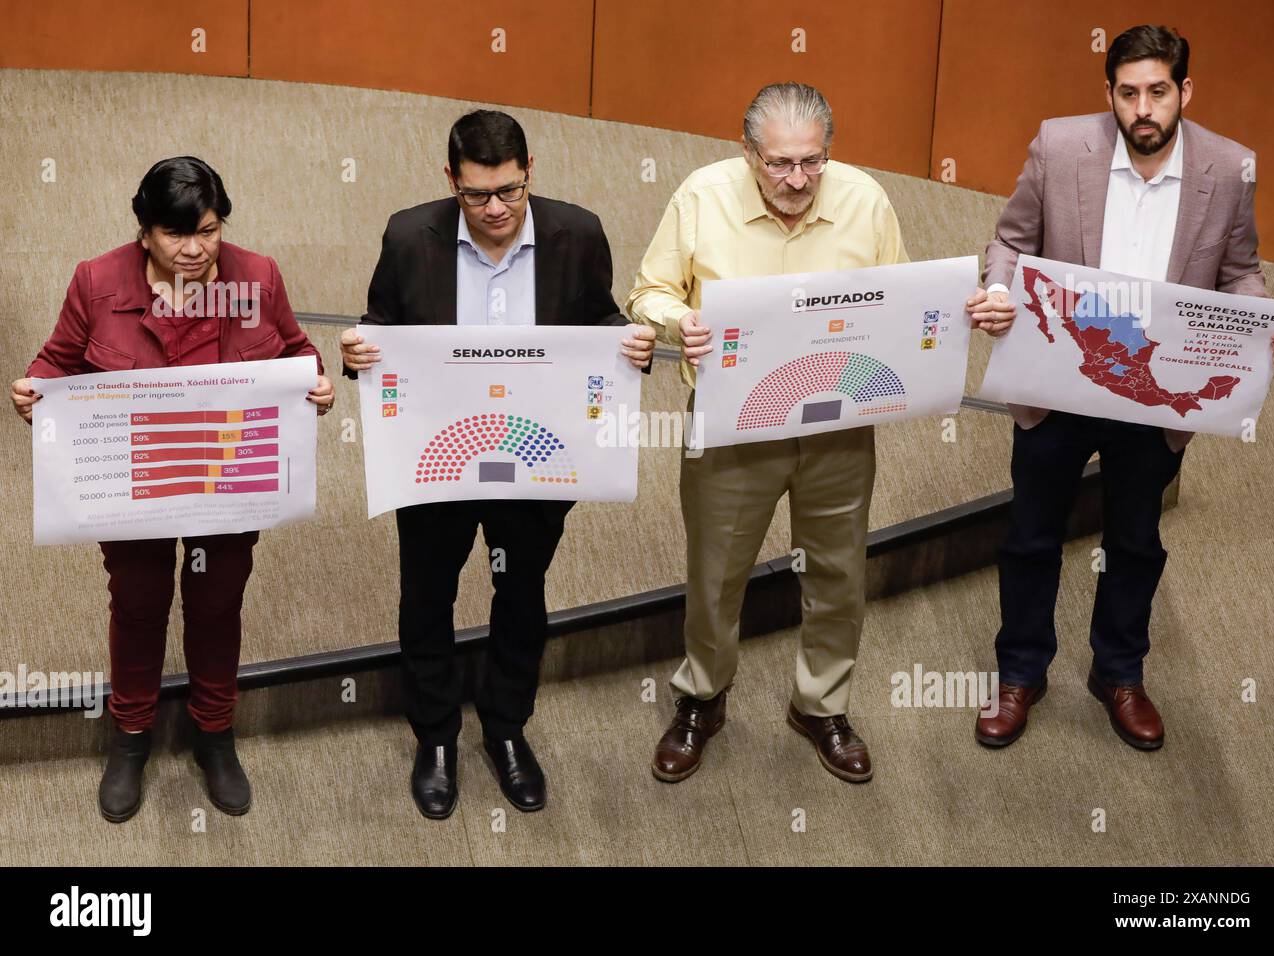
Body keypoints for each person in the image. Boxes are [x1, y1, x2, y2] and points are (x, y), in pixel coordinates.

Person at [967, 25, 1274, 750]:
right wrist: (997, 290)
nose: (1142, 109)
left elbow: (1239, 268)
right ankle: (1020, 671)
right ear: (1108, 94)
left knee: (1136, 542)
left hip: (1156, 387)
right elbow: (1012, 240)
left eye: (1157, 92)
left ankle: (1118, 671)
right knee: (1031, 535)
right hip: (1061, 375)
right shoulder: (1059, 147)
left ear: (1185, 91)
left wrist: (1262, 322)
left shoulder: (1229, 165)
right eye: (1127, 93)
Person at [340, 110, 656, 819]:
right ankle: (438, 737)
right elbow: (380, 324)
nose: (494, 210)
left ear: (529, 171)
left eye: (509, 192)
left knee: (520, 594)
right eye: (477, 195)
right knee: (429, 597)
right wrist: (357, 353)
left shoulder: (577, 232)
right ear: (449, 180)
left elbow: (598, 316)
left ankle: (507, 728)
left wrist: (626, 339)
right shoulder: (407, 235)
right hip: (436, 460)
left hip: (536, 458)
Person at [10, 156, 332, 822]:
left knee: (216, 605)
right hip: (136, 485)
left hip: (226, 481)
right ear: (144, 232)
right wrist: (30, 389)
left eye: (210, 232)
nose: (196, 250)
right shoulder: (97, 282)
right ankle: (131, 736)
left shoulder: (257, 276)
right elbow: (58, 361)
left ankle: (214, 732)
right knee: (138, 603)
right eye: (177, 236)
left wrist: (317, 382)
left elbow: (298, 350)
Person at [626, 82, 910, 784]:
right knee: (717, 573)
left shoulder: (864, 199)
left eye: (812, 163)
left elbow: (902, 298)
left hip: (839, 422)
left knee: (839, 569)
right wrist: (675, 321)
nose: (798, 181)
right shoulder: (701, 196)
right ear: (746, 150)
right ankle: (703, 698)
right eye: (780, 164)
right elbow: (647, 291)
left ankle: (821, 705)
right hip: (730, 426)